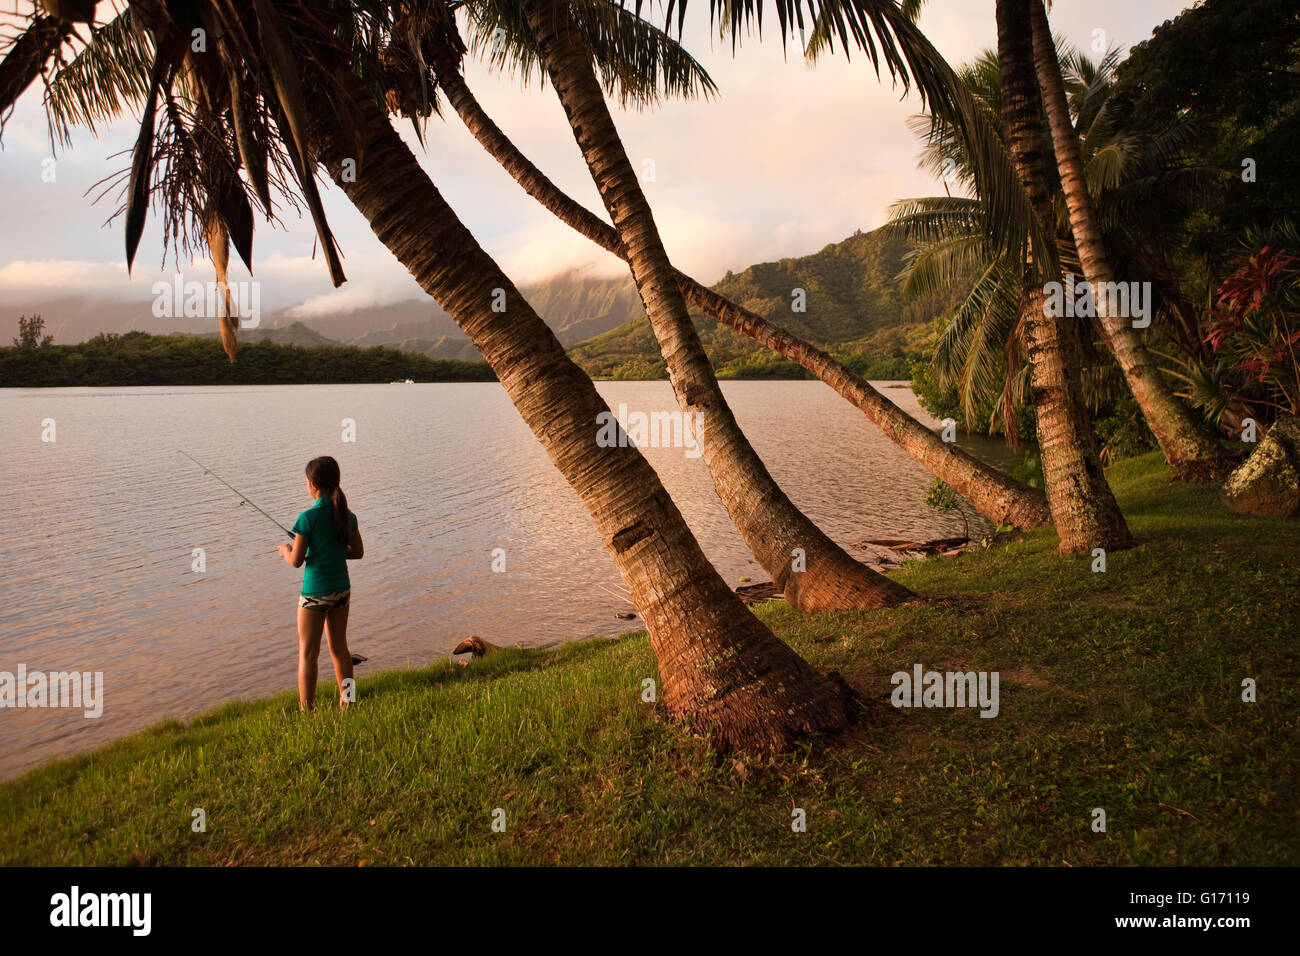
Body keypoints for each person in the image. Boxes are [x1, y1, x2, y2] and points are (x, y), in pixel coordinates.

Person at [278, 456, 364, 711]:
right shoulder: (347, 515)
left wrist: (284, 549)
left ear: (313, 484)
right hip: (341, 591)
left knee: (308, 653)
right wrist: (334, 550)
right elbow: (357, 552)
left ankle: (307, 710)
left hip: (314, 595)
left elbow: (296, 560)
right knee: (340, 649)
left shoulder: (307, 518)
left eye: (306, 482)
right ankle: (348, 702)